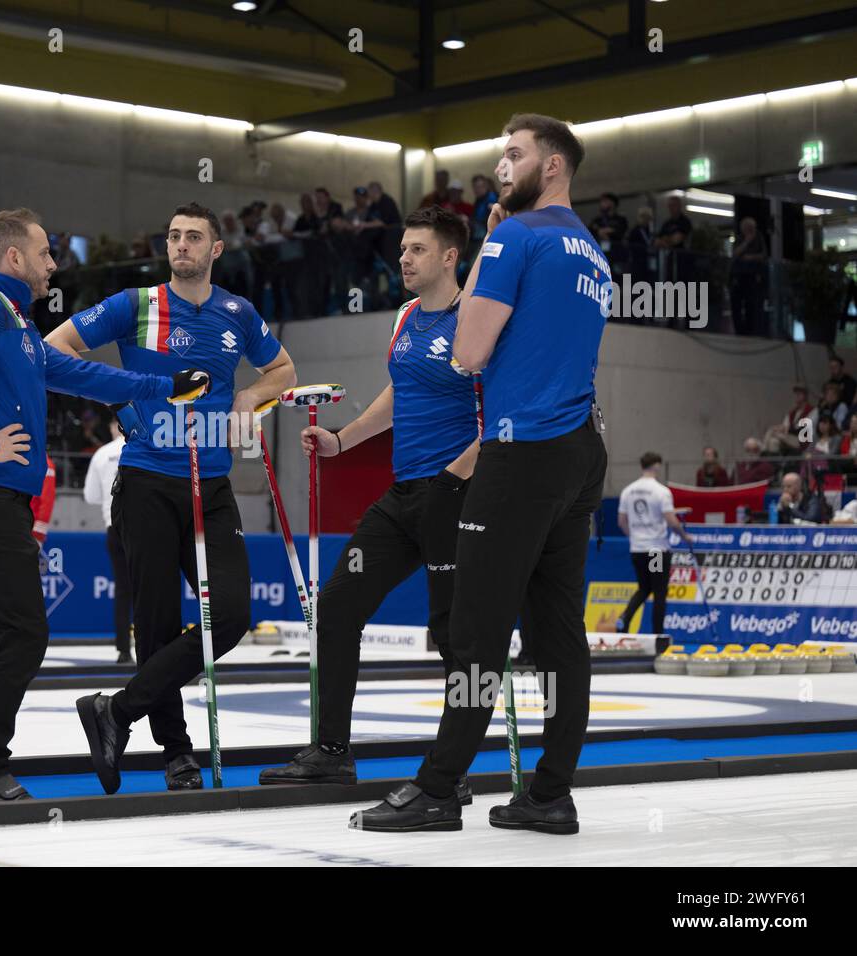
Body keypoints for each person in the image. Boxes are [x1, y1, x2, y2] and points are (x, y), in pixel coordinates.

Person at [354, 113, 608, 835]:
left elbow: (467, 352)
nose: (501, 165)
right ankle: (550, 793)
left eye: (514, 154)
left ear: (552, 165)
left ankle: (438, 788)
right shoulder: (592, 253)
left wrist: (497, 242)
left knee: (475, 630)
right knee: (559, 634)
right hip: (579, 452)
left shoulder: (513, 239)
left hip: (520, 448)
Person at [0, 207, 208, 806]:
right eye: (46, 253)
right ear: (15, 259)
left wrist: (166, 386)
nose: (55, 264)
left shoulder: (20, 327)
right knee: (24, 633)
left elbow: (84, 376)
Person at [46, 202, 296, 794]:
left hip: (210, 485)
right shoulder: (137, 305)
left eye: (193, 238)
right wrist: (122, 397)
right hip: (148, 481)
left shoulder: (239, 312)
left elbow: (283, 369)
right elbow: (53, 352)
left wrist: (248, 399)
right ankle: (176, 753)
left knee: (232, 614)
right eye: (174, 236)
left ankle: (117, 711)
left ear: (215, 250)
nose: (180, 245)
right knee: (155, 625)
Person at [259, 206, 479, 791]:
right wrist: (341, 440)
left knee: (452, 633)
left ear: (450, 257)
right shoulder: (406, 316)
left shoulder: (476, 323)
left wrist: (454, 483)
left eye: (417, 250)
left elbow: (498, 419)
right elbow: (397, 393)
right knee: (336, 608)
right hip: (402, 495)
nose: (403, 259)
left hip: (454, 495)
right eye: (402, 249)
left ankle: (449, 772)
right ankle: (331, 750)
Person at [617, 452, 692, 646]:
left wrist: (634, 537)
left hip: (637, 549)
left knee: (644, 588)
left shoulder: (628, 491)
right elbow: (670, 520)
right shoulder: (661, 491)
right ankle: (658, 634)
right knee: (659, 591)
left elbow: (621, 521)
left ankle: (624, 619)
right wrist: (685, 536)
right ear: (657, 466)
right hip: (656, 550)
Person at [82, 418, 133, 663]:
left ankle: (124, 649)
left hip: (115, 526)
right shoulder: (145, 446)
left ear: (114, 426)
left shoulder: (102, 454)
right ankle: (154, 645)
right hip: (145, 526)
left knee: (124, 590)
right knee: (150, 588)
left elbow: (90, 496)